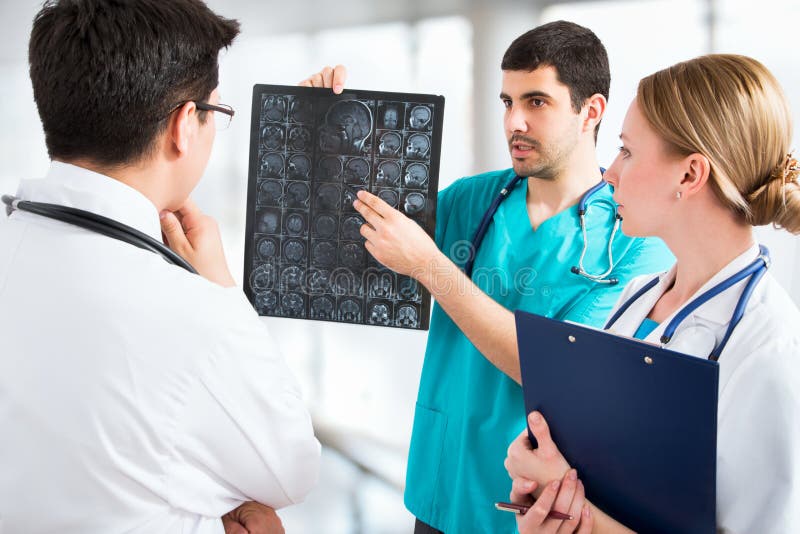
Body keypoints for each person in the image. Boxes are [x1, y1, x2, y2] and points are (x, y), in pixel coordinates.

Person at [338, 21, 675, 533]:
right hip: (439, 492)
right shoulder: (470, 200)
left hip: (534, 513)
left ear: (592, 112)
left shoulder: (636, 242)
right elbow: (346, 238)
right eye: (506, 101)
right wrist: (322, 125)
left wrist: (431, 266)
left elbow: (557, 369)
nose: (514, 121)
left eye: (536, 102)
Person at [0, 1, 325, 532]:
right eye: (216, 113)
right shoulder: (193, 316)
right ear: (183, 126)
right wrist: (221, 291)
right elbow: (291, 472)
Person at [505, 54, 800, 533]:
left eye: (626, 151)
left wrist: (582, 518)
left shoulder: (772, 352)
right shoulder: (639, 297)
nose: (609, 174)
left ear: (689, 175)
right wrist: (544, 491)